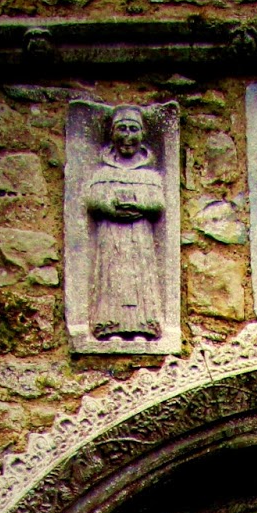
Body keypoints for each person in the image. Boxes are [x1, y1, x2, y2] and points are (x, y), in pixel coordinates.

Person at [86, 104, 165, 339]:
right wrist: (111, 206)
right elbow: (94, 201)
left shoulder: (150, 176)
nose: (127, 136)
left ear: (142, 134)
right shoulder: (103, 174)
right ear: (112, 134)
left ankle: (143, 327)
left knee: (140, 280)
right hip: (111, 236)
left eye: (133, 129)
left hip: (140, 238)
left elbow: (158, 204)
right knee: (113, 279)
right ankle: (108, 326)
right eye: (122, 129)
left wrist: (138, 205)